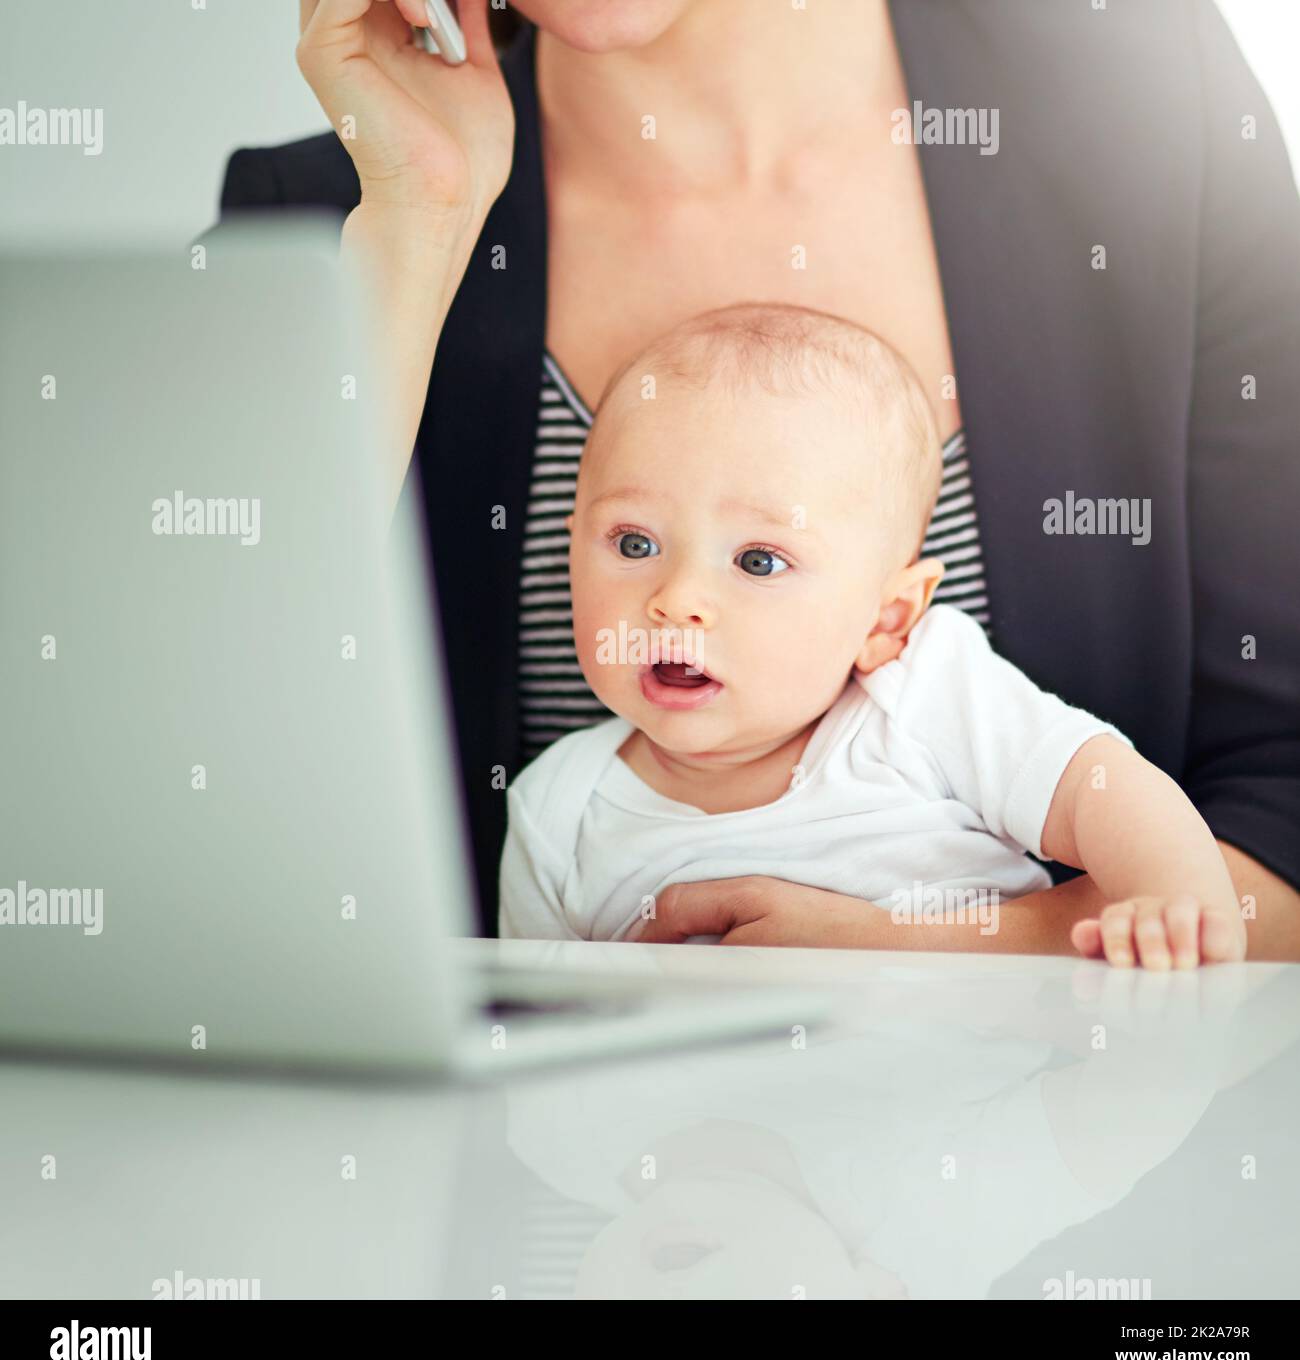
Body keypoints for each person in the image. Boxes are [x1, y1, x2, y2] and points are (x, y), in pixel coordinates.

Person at [218, 0, 1300, 952]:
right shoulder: (342, 218)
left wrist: (922, 952)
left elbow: (1281, 799)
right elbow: (199, 801)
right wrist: (415, 224)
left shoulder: (1141, 89)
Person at [497, 302, 1244, 967]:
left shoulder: (924, 697)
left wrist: (1173, 896)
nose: (677, 599)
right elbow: (531, 1028)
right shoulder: (558, 807)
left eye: (759, 560)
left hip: (982, 1105)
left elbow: (1097, 786)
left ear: (887, 620)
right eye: (633, 544)